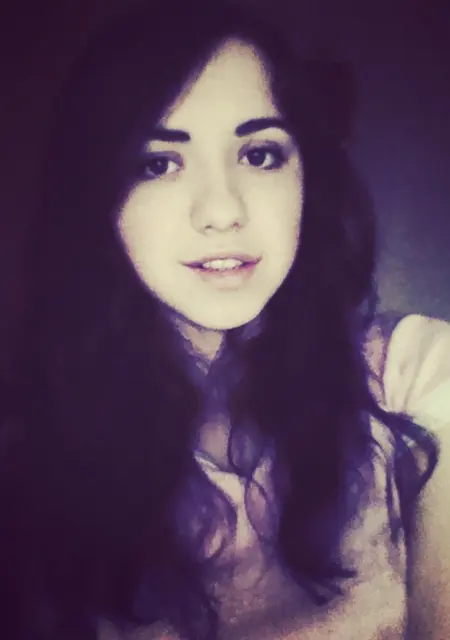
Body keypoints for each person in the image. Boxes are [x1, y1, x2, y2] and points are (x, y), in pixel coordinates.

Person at [1, 0, 449, 638]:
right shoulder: (28, 463)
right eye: (159, 163)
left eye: (260, 155)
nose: (221, 211)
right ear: (98, 197)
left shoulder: (414, 374)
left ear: (307, 177)